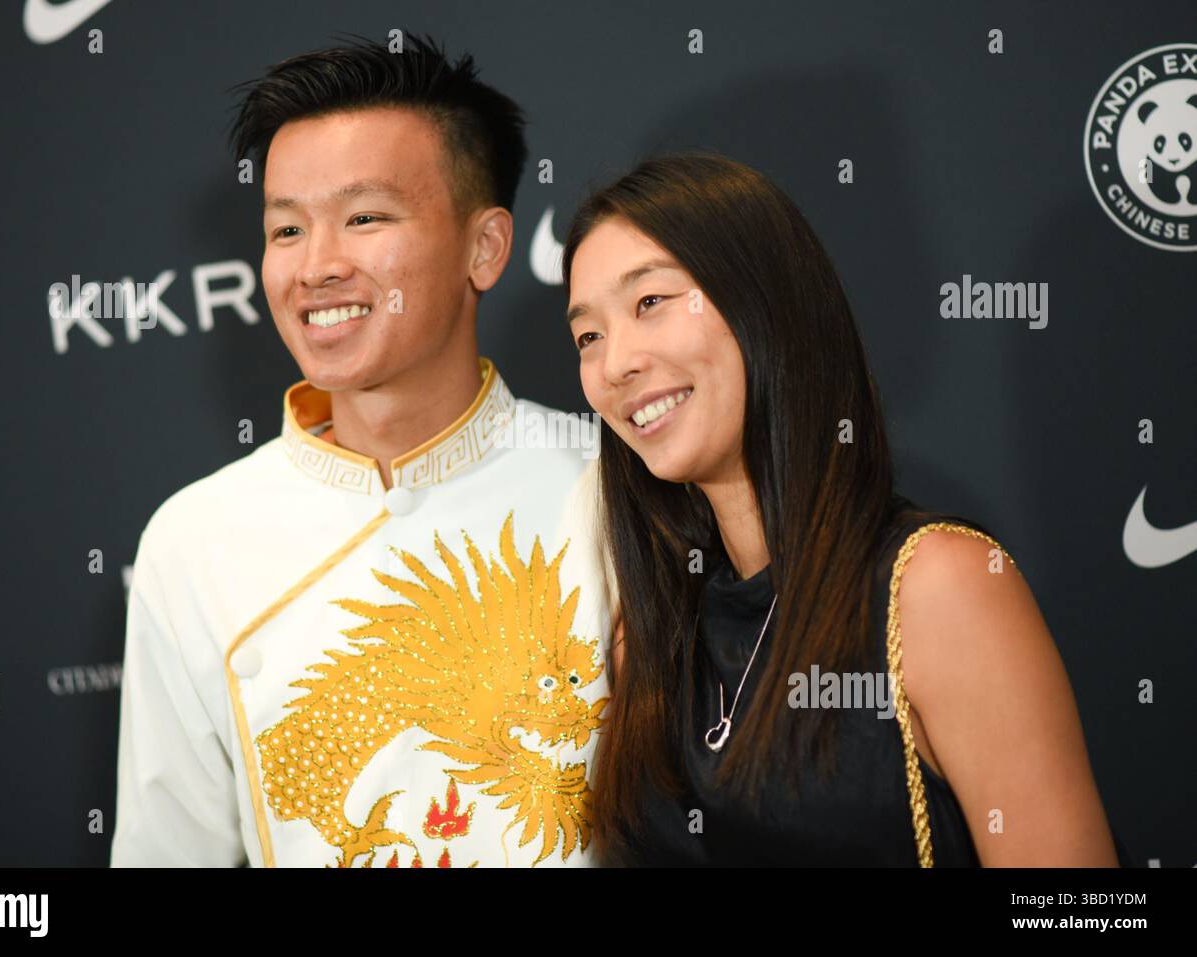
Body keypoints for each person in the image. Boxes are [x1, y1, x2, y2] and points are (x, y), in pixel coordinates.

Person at [111, 33, 612, 868]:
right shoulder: (193, 540)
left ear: (484, 247)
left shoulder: (616, 488)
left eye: (365, 218)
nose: (316, 267)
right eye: (285, 229)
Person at [562, 151, 1124, 866]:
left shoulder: (935, 585)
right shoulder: (647, 627)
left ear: (766, 301)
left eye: (650, 303)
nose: (615, 365)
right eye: (589, 336)